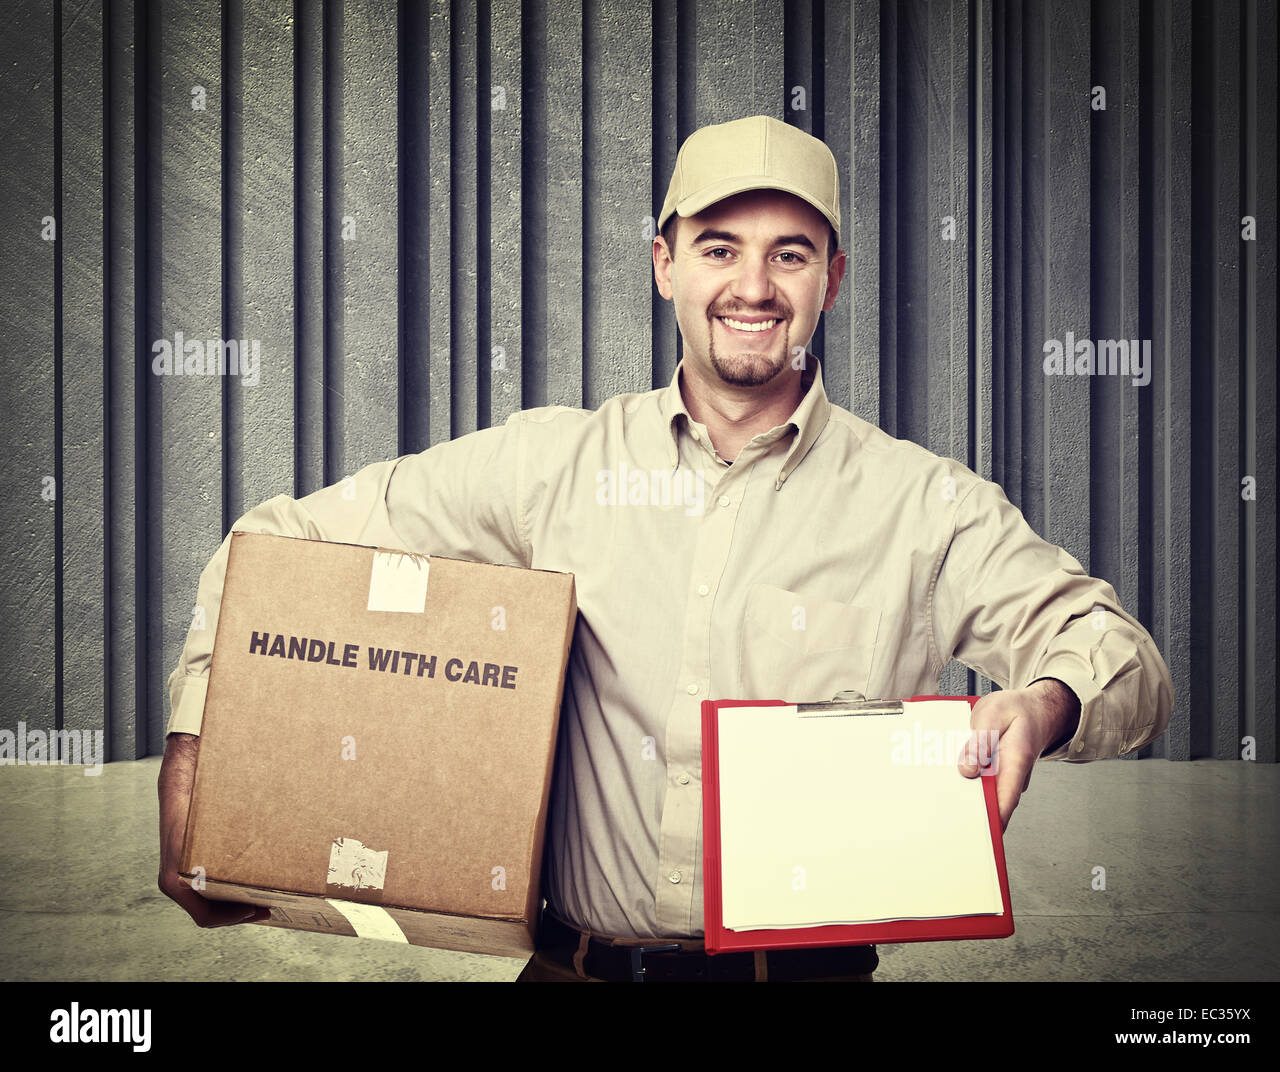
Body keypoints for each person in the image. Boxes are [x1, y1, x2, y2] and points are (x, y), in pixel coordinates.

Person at [158, 115, 1174, 982]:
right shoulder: (547, 466)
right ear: (665, 265)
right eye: (719, 246)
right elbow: (276, 543)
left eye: (791, 251)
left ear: (833, 278)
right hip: (577, 970)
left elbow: (1121, 655)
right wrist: (197, 754)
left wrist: (1040, 706)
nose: (754, 284)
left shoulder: (924, 505)